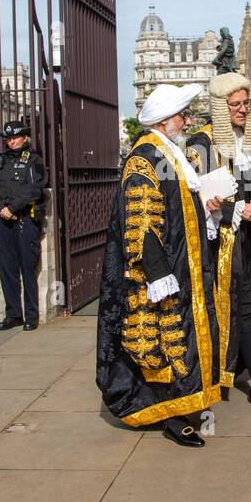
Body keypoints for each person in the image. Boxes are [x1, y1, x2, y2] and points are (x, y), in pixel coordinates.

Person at [96, 83, 227, 446]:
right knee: (161, 340)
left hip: (184, 263)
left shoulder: (169, 154)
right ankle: (168, 414)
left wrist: (206, 209)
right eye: (183, 116)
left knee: (183, 338)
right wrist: (158, 274)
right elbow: (139, 222)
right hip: (161, 272)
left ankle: (185, 403)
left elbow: (176, 208)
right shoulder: (144, 158)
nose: (187, 122)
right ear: (166, 120)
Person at [185, 71, 251, 411]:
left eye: (247, 103)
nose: (243, 109)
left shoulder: (245, 141)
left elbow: (248, 190)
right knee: (221, 311)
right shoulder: (201, 143)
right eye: (236, 104)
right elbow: (193, 197)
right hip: (216, 246)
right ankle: (214, 381)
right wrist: (234, 208)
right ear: (220, 106)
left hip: (245, 240)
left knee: (248, 306)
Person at [0, 118, 46, 331]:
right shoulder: (0, 161)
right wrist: (1, 208)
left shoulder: (34, 160)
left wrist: (12, 209)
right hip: (3, 222)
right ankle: (13, 314)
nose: (11, 142)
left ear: (24, 137)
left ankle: (31, 315)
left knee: (27, 269)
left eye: (15, 138)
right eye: (8, 139)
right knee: (6, 268)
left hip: (24, 220)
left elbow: (34, 190)